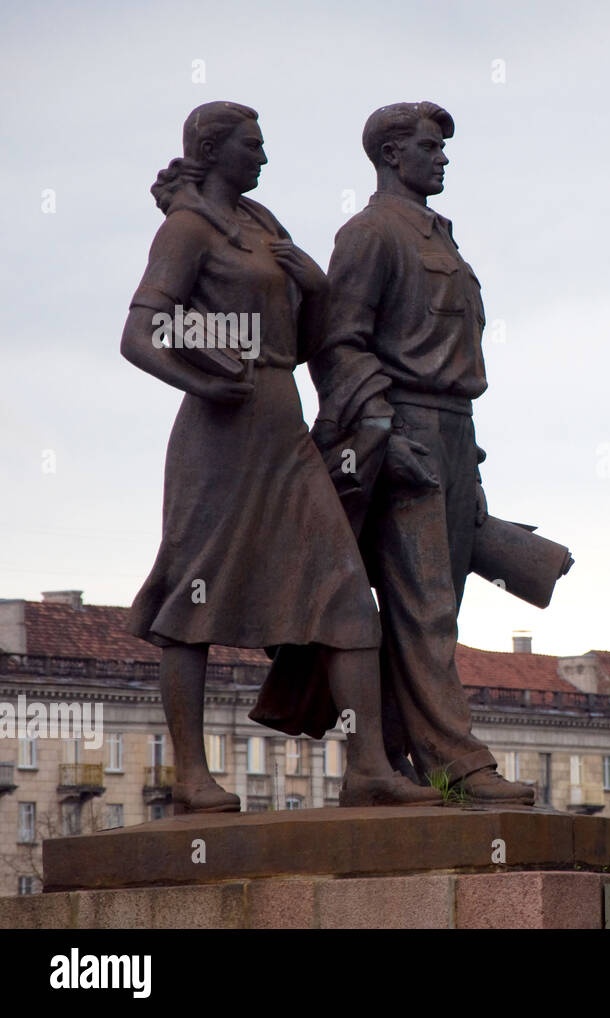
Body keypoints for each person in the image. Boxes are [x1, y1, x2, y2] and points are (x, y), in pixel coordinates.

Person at [120, 100, 442, 813]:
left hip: (284, 430)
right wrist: (204, 379)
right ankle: (191, 776)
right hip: (218, 439)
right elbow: (139, 335)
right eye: (252, 146)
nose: (264, 159)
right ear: (214, 149)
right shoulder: (187, 230)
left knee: (346, 591)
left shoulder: (266, 226)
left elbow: (304, 343)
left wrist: (319, 285)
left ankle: (368, 769)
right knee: (190, 601)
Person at [295, 101, 533, 803]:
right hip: (406, 429)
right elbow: (338, 346)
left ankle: (394, 761)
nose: (443, 157)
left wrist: (472, 461)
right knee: (424, 606)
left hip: (455, 432)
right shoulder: (370, 234)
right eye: (431, 146)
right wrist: (383, 434)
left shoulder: (442, 239)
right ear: (392, 154)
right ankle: (458, 762)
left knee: (434, 611)